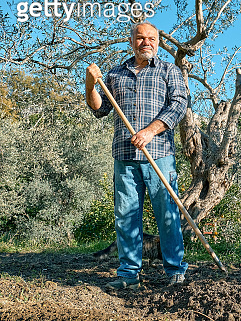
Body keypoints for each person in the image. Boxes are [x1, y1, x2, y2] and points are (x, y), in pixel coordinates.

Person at [85, 21, 189, 289]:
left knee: (167, 214)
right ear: (131, 41)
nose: (147, 43)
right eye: (141, 38)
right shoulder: (115, 75)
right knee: (126, 216)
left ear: (158, 41)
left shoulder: (169, 71)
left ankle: (175, 271)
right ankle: (128, 275)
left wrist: (149, 132)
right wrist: (90, 85)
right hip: (125, 156)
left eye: (151, 38)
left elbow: (178, 105)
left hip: (160, 155)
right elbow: (99, 109)